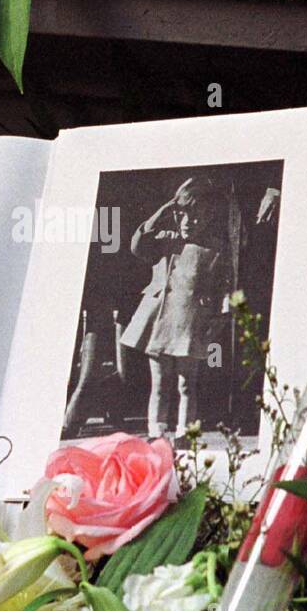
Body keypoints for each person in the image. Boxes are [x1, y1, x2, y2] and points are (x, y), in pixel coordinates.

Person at [121, 176, 229, 441]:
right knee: (159, 384)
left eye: (196, 217)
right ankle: (156, 432)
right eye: (183, 216)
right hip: (158, 322)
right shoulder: (165, 240)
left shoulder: (215, 249)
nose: (189, 222)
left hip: (191, 322)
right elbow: (137, 245)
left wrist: (222, 317)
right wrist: (163, 211)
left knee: (186, 384)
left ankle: (185, 432)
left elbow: (225, 286)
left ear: (208, 217)